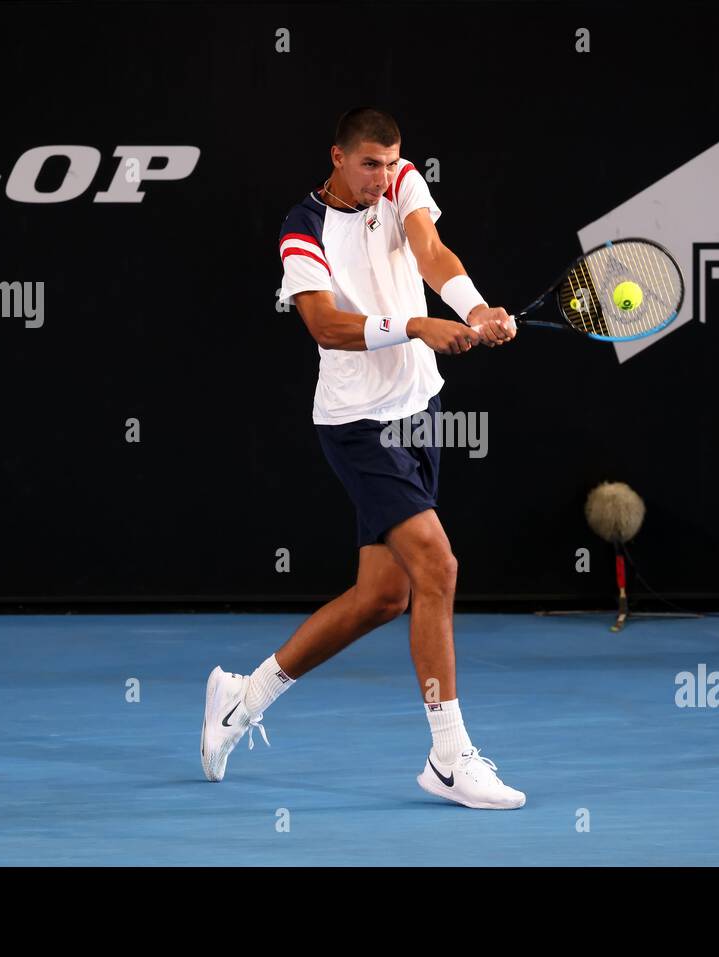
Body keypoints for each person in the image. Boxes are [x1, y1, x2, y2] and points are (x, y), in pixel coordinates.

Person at [200, 107, 527, 808]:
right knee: (439, 566)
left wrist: (472, 309)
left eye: (391, 162)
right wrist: (416, 324)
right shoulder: (302, 228)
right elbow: (324, 324)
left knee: (385, 594)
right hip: (357, 424)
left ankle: (241, 698)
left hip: (420, 409)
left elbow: (432, 250)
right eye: (369, 165)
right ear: (338, 158)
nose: (383, 177)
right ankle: (448, 756)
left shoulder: (402, 181)